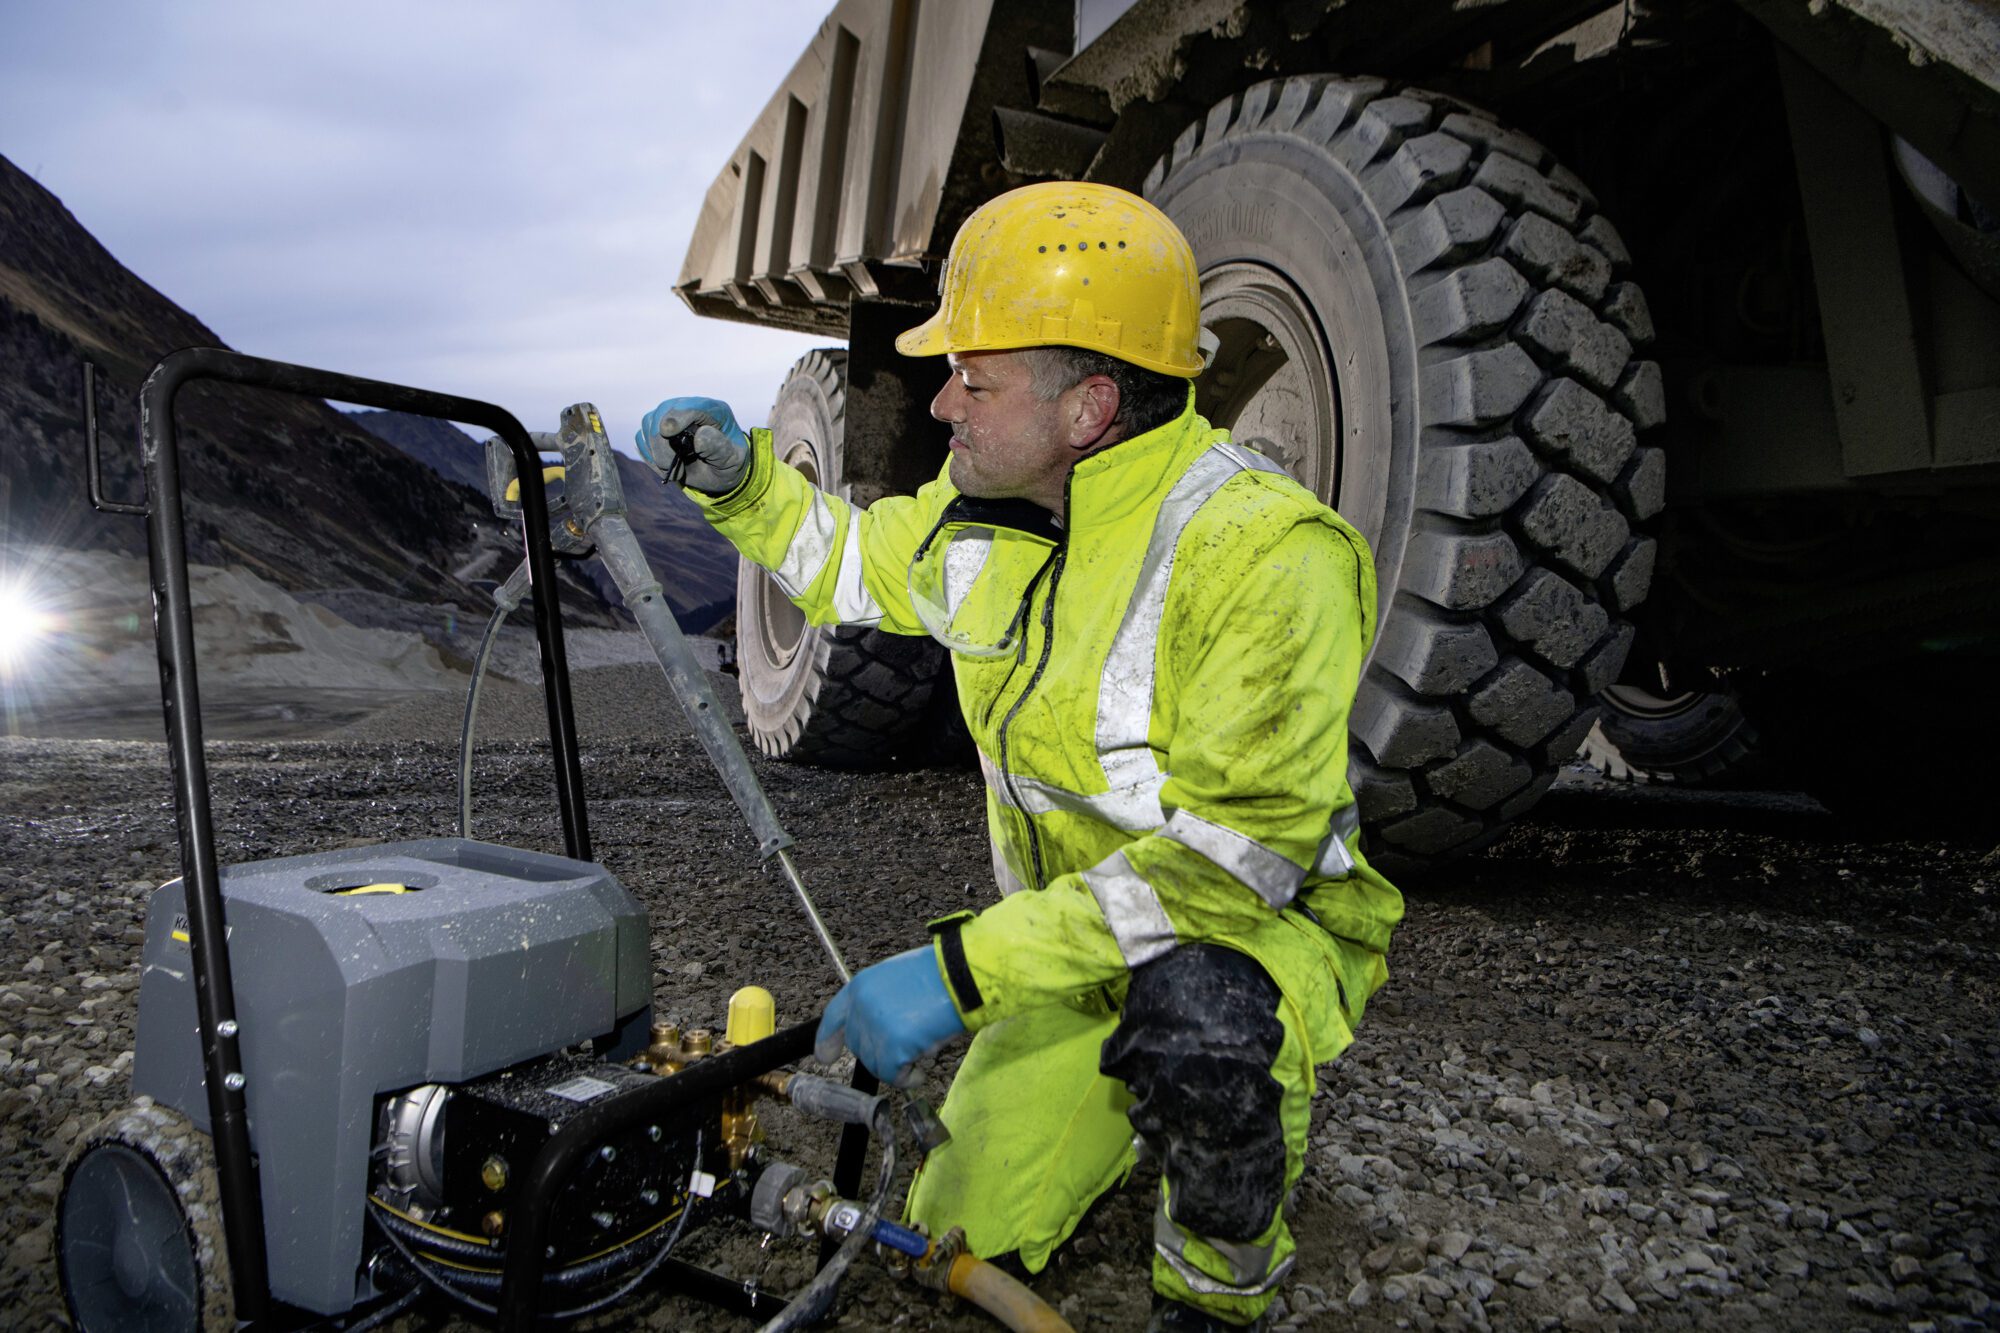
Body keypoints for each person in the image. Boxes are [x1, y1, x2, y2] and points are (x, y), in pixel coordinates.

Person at [638, 181, 1402, 1332]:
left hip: (1243, 937)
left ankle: (1213, 1293)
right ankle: (1102, 1088)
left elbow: (1226, 870)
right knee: (953, 1233)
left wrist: (956, 976)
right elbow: (852, 562)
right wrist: (741, 483)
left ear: (1088, 407)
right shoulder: (985, 509)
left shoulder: (1263, 554)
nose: (942, 403)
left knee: (1195, 1018)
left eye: (973, 379)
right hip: (1064, 958)